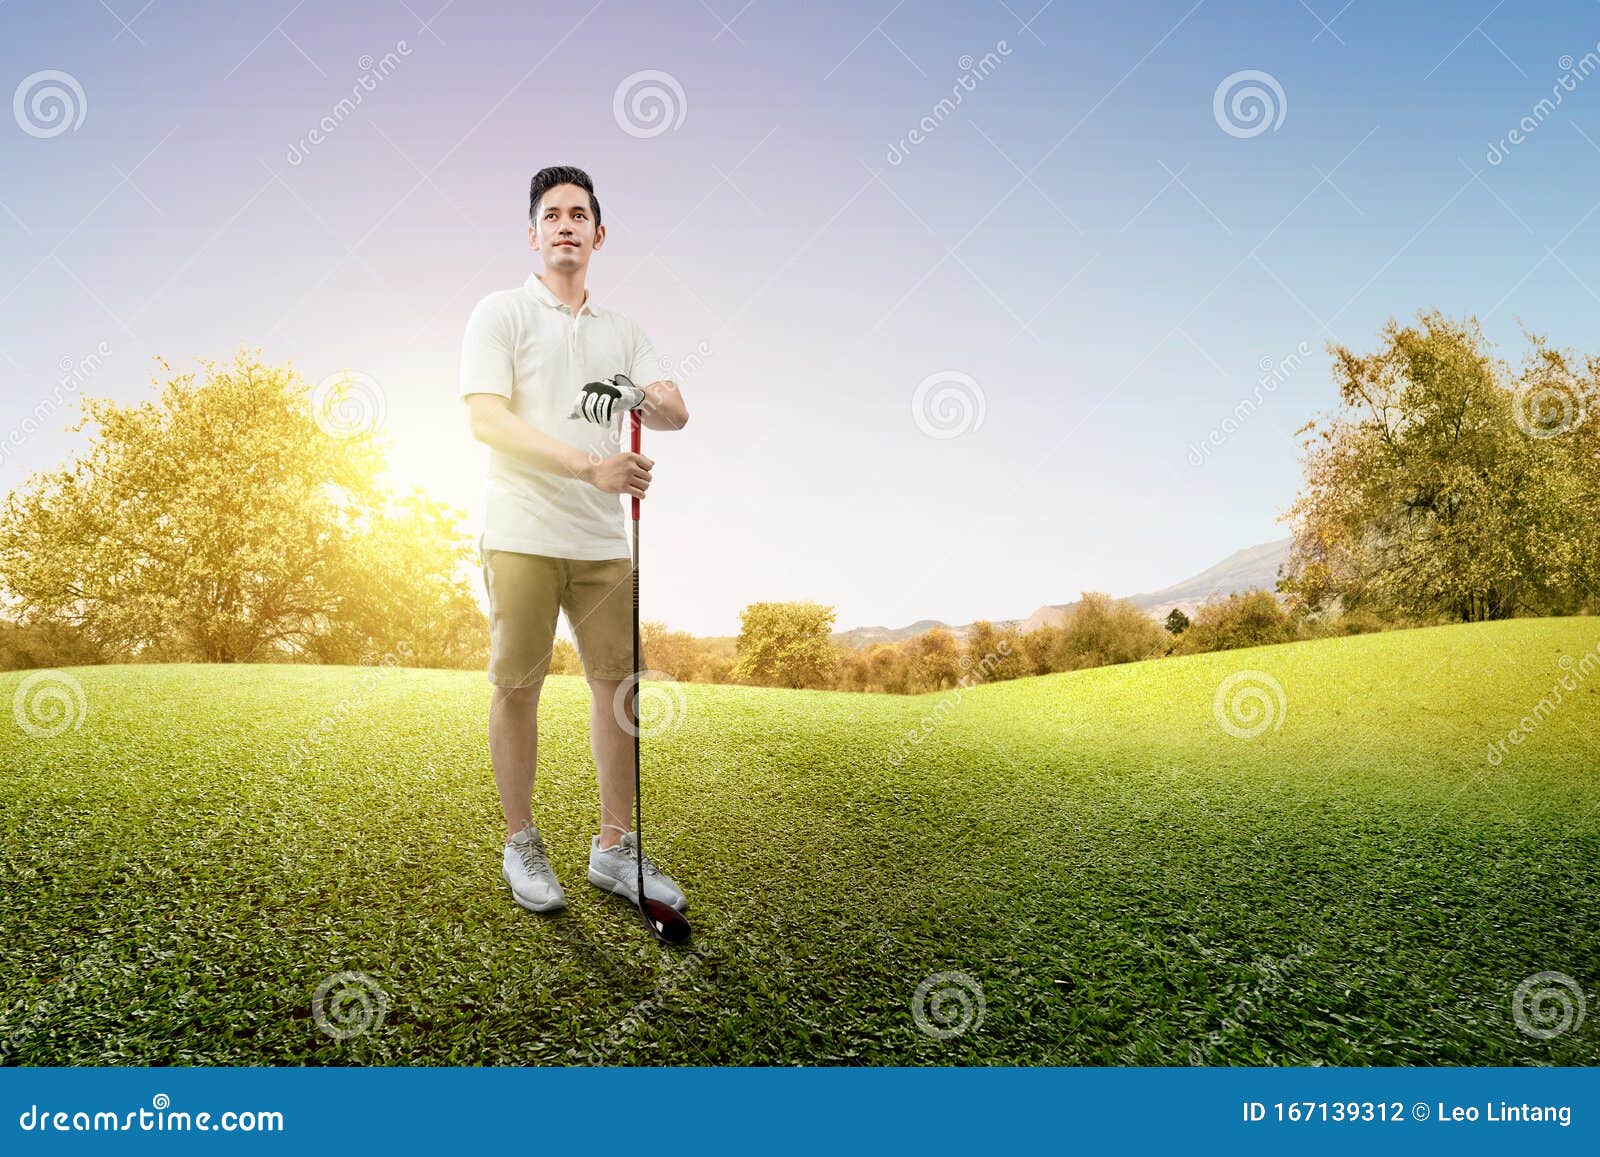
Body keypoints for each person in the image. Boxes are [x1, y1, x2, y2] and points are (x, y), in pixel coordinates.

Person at [459, 164, 690, 917]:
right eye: (552, 215)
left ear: (599, 233)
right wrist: (590, 467)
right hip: (522, 532)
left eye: (578, 214)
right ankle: (521, 842)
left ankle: (613, 848)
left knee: (618, 691)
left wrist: (638, 393)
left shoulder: (623, 331)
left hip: (601, 543)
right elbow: (487, 419)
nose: (565, 225)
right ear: (533, 235)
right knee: (517, 687)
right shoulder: (499, 312)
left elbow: (675, 412)